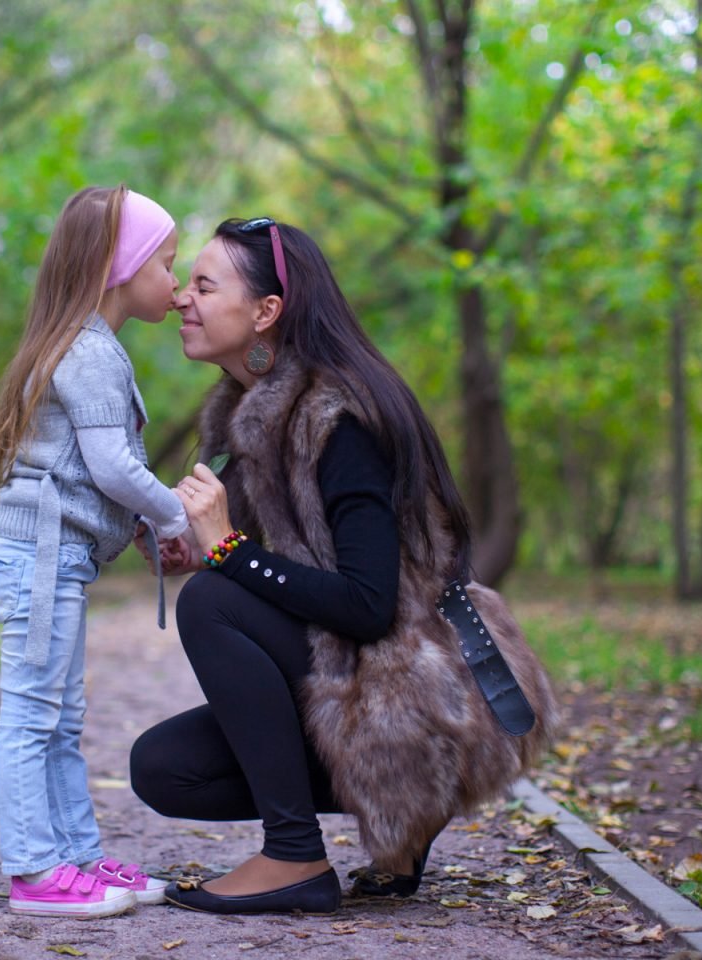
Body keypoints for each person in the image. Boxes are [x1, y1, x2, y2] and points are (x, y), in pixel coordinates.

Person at [130, 217, 559, 915]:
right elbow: (283, 568)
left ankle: (293, 856)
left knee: (212, 602)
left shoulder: (339, 418)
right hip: (357, 673)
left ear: (267, 311)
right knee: (163, 768)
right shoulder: (248, 414)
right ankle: (400, 822)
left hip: (418, 699)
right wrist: (201, 547)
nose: (182, 298)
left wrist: (231, 554)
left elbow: (368, 605)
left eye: (205, 285)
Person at [0, 186, 188, 918]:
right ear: (121, 267)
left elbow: (86, 472)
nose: (178, 282)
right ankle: (35, 873)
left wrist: (128, 522)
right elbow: (114, 469)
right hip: (38, 558)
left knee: (59, 717)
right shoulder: (89, 353)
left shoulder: (90, 346)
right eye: (167, 262)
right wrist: (173, 515)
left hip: (53, 557)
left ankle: (77, 858)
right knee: (34, 714)